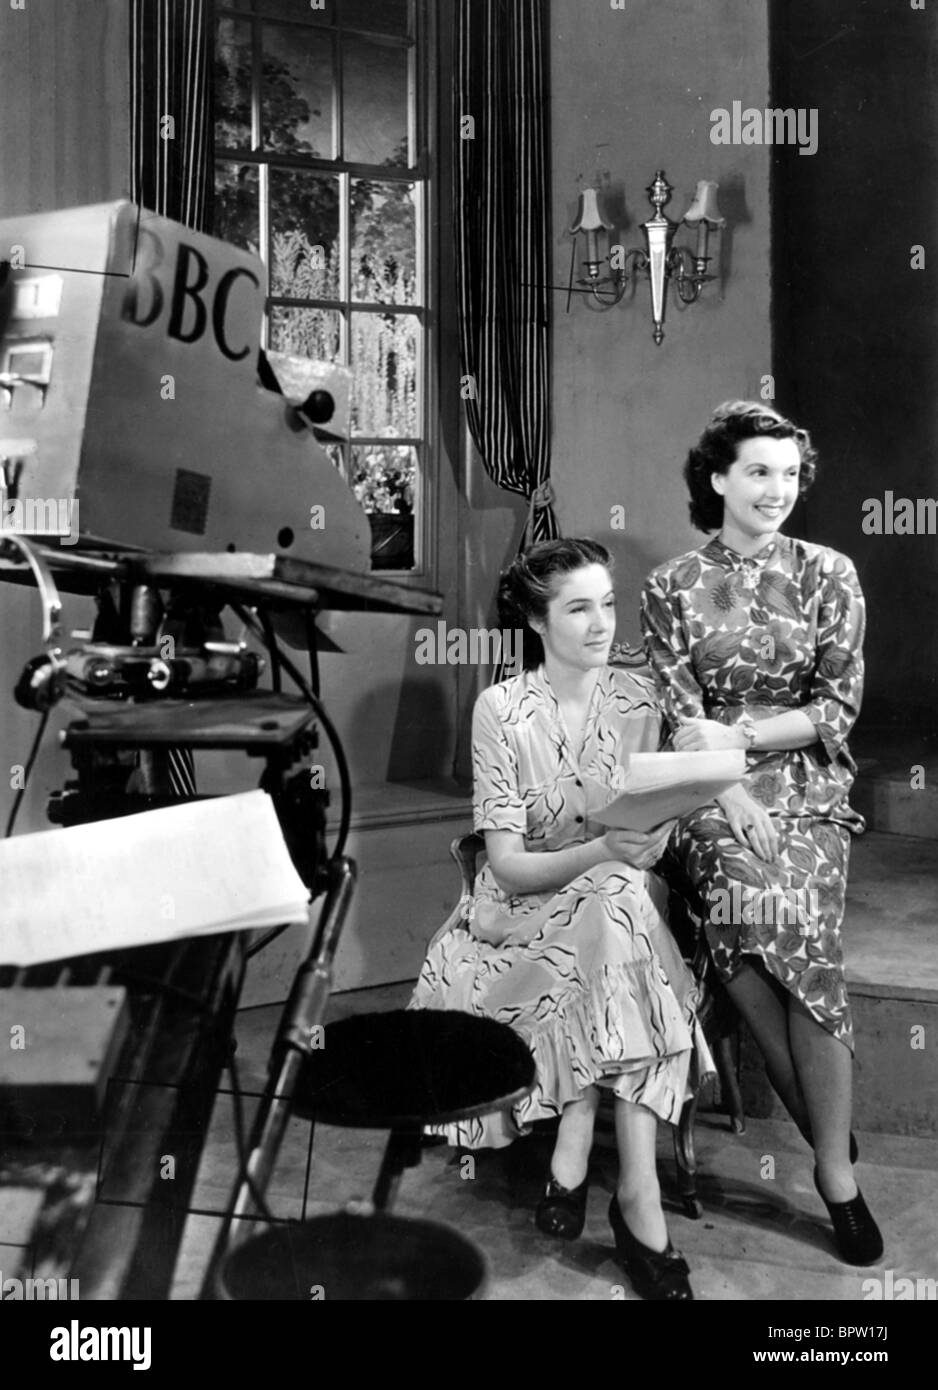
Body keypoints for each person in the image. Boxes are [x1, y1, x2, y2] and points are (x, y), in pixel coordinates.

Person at [410, 537, 714, 1301]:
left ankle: (599, 1162)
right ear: (537, 621)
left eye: (609, 603)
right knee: (616, 899)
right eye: (579, 608)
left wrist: (651, 836)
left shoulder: (641, 701)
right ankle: (621, 1186)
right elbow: (507, 866)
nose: (602, 622)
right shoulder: (501, 711)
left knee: (618, 899)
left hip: (616, 918)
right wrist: (610, 851)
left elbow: (669, 806)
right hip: (517, 923)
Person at [640, 400, 883, 1267]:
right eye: (757, 471)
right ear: (718, 478)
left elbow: (836, 708)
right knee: (742, 925)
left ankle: (830, 1169)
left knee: (799, 937)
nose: (776, 489)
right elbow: (679, 716)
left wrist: (741, 739)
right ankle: (833, 1150)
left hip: (808, 786)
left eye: (787, 473)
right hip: (707, 795)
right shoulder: (670, 585)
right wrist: (725, 779)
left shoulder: (830, 573)